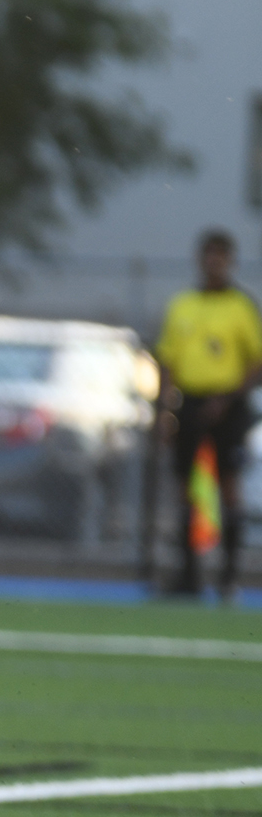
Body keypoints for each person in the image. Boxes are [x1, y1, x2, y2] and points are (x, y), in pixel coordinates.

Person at [154, 228, 261, 602]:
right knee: (186, 492)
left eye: (221, 255)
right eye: (208, 254)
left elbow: (256, 361)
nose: (214, 262)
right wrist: (166, 408)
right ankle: (189, 577)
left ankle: (229, 579)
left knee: (229, 489)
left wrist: (228, 397)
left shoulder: (241, 306)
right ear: (200, 259)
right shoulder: (182, 304)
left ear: (230, 261)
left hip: (228, 406)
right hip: (192, 404)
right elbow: (167, 359)